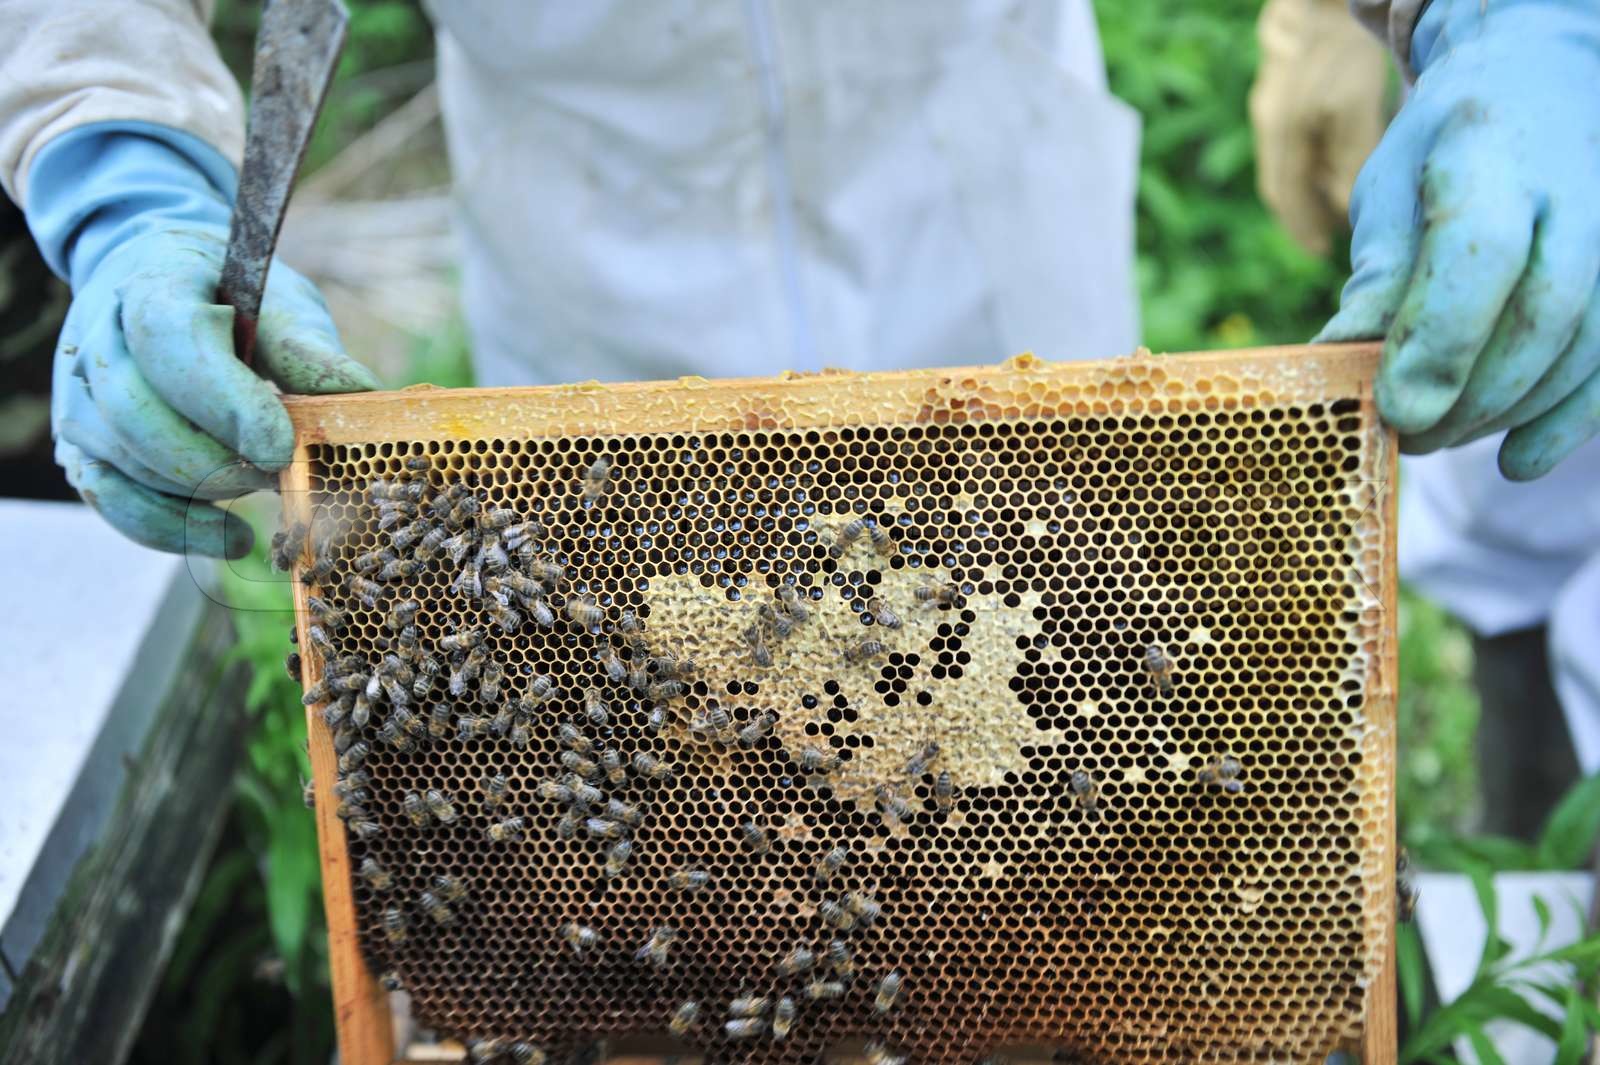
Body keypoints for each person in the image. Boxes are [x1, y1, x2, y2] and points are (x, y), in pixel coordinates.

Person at [3, 3, 1596, 791]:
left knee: (1054, 756)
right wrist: (127, 179)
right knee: (679, 786)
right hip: (593, 302)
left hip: (991, 268)